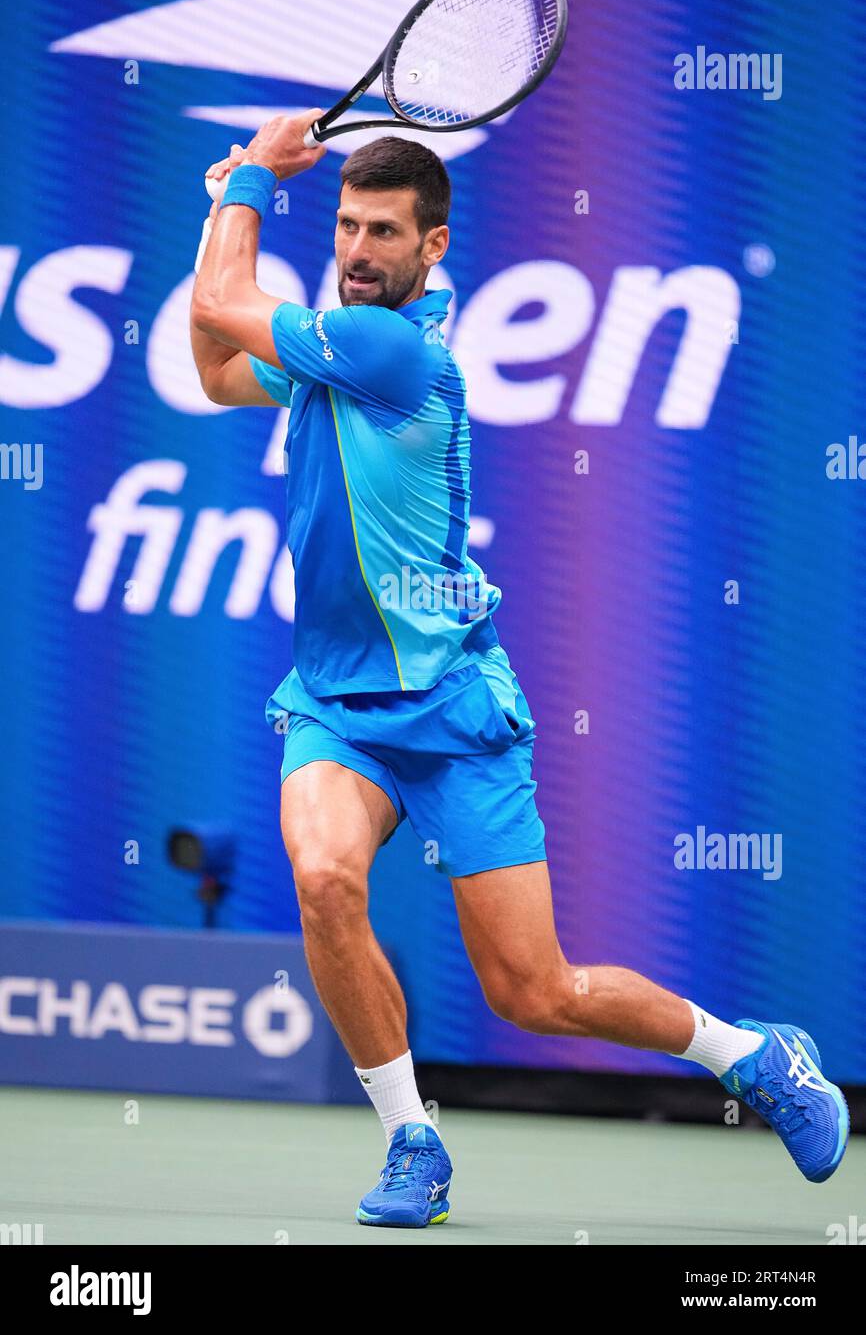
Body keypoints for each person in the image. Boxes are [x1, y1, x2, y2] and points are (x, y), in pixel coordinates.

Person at [190, 110, 849, 1228]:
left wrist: (249, 179)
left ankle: (752, 1054)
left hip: (452, 710)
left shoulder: (389, 351)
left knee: (533, 992)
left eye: (382, 232)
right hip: (337, 706)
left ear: (430, 248)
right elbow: (214, 370)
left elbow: (217, 305)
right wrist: (228, 202)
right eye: (345, 224)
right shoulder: (333, 340)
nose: (356, 248)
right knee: (322, 877)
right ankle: (412, 1140)